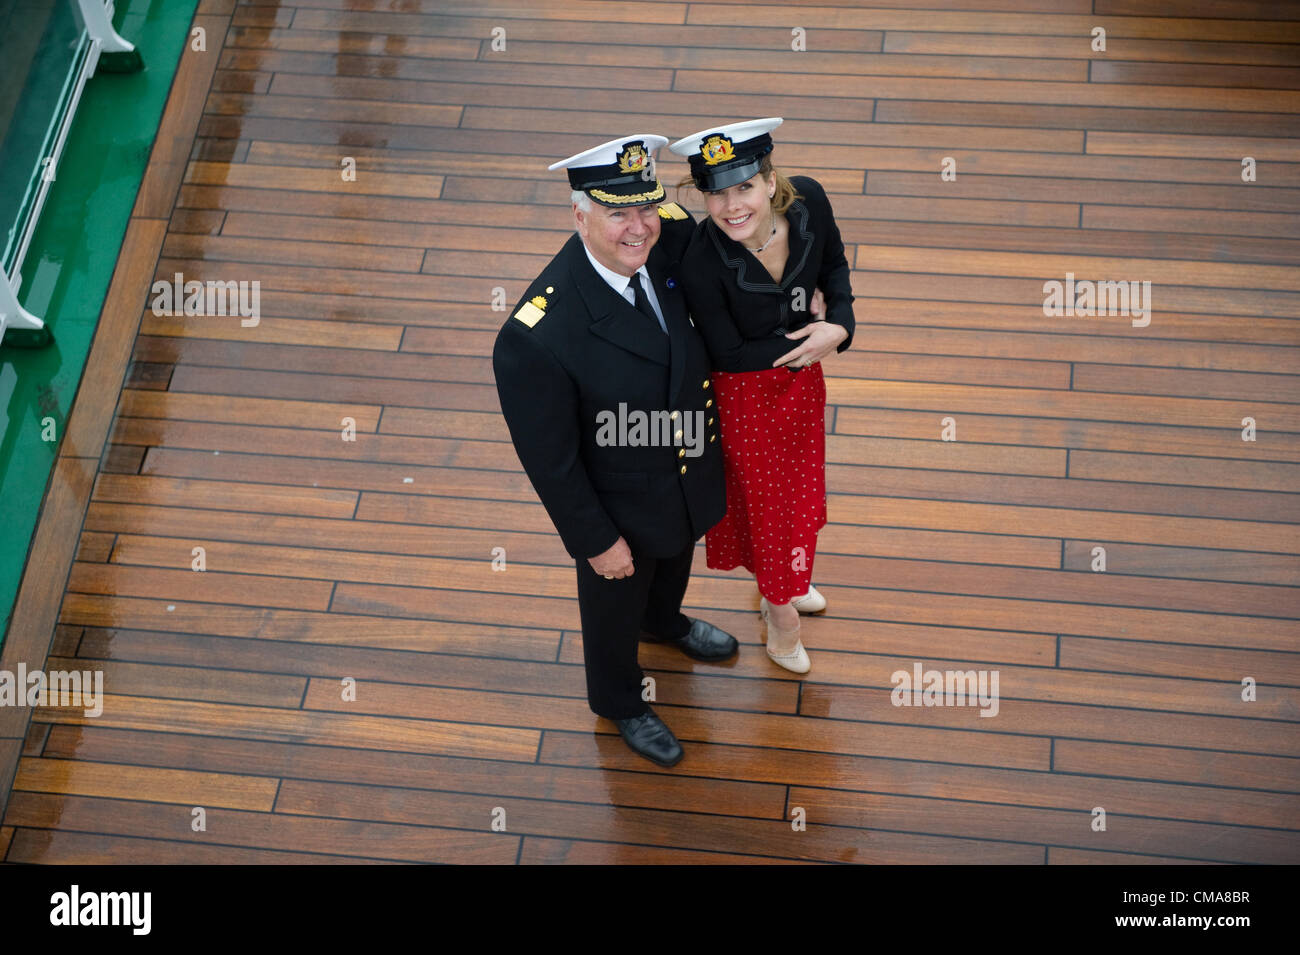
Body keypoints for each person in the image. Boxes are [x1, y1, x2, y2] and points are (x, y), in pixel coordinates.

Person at [492, 134, 737, 768]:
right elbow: (553, 462)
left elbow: (749, 227)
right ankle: (620, 700)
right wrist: (596, 542)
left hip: (683, 470)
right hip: (617, 508)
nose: (639, 228)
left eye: (647, 208)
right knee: (612, 606)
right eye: (617, 213)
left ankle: (666, 622)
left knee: (674, 560)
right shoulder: (538, 335)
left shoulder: (667, 241)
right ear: (579, 215)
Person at [669, 118, 855, 674]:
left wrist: (840, 325)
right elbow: (726, 353)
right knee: (769, 508)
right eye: (717, 193)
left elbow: (836, 268)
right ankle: (781, 620)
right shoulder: (701, 258)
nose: (731, 206)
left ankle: (789, 578)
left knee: (798, 493)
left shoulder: (811, 202)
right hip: (745, 397)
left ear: (769, 182)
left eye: (743, 187)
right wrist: (807, 344)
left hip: (803, 381)